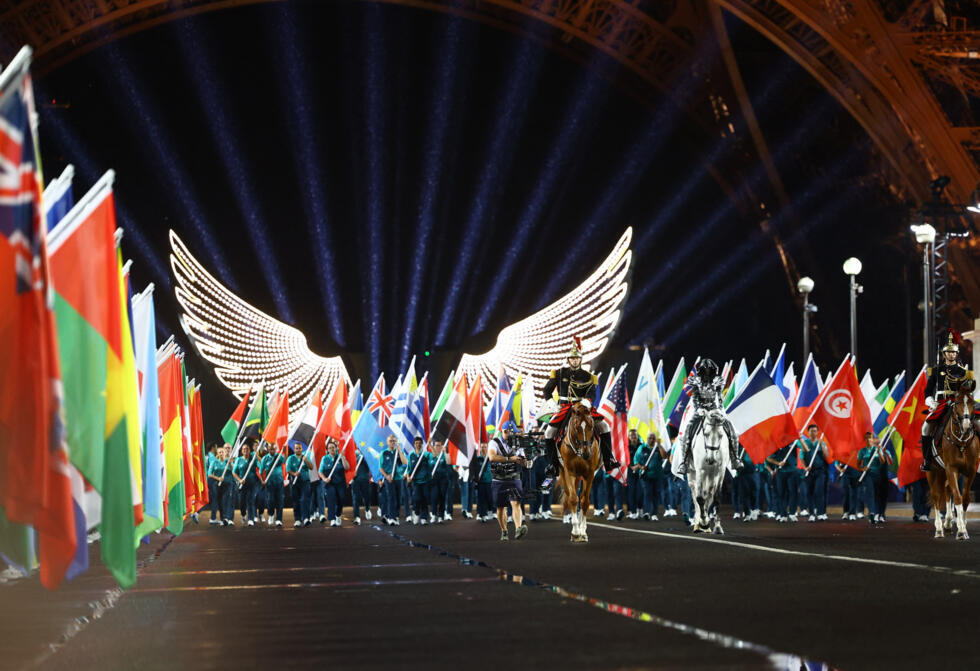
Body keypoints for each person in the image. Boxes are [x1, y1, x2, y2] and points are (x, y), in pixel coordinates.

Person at [540, 337, 620, 475]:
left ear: (581, 359)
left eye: (577, 359)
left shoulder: (588, 376)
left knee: (605, 427)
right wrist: (553, 405)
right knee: (548, 433)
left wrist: (586, 402)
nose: (574, 361)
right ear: (568, 359)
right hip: (564, 408)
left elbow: (592, 394)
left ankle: (608, 460)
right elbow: (547, 390)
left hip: (583, 408)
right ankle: (552, 465)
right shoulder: (558, 374)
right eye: (572, 358)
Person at [673, 359, 741, 476]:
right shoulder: (695, 380)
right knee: (687, 430)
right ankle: (684, 462)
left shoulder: (718, 381)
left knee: (732, 429)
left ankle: (735, 458)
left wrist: (718, 409)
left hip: (715, 409)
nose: (708, 372)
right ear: (701, 371)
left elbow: (719, 398)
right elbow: (695, 397)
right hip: (699, 409)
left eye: (710, 370)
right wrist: (700, 409)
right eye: (705, 370)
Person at [921, 333, 978, 470]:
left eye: (953, 352)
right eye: (949, 352)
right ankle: (927, 459)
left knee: (977, 422)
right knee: (925, 428)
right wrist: (931, 402)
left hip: (959, 403)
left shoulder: (963, 371)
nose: (951, 354)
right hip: (941, 404)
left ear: (957, 354)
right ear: (944, 354)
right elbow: (928, 391)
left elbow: (968, 390)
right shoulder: (936, 370)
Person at [488, 421, 528, 541]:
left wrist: (526, 460)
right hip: (499, 479)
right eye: (511, 433)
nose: (513, 435)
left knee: (516, 503)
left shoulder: (519, 444)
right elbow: (492, 457)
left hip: (514, 477)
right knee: (501, 507)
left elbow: (523, 461)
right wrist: (510, 459)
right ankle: (504, 531)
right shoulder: (494, 442)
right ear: (504, 432)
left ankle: (518, 528)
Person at [856, 433, 892, 524]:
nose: (871, 440)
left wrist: (880, 452)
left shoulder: (881, 450)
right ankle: (873, 513)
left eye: (872, 438)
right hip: (869, 475)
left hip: (881, 476)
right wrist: (863, 468)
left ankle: (881, 514)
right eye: (868, 438)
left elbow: (884, 461)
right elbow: (858, 464)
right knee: (872, 493)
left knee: (881, 496)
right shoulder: (862, 451)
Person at [798, 425, 829, 521]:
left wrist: (822, 446)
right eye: (811, 431)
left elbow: (826, 455)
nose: (813, 433)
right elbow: (802, 457)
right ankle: (811, 514)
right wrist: (805, 467)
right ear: (808, 432)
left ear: (817, 432)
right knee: (809, 492)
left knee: (818, 491)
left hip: (820, 471)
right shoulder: (805, 443)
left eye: (815, 431)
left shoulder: (821, 443)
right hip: (809, 472)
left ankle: (820, 513)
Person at [634, 433, 667, 520]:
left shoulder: (658, 448)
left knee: (656, 494)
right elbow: (636, 459)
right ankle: (647, 512)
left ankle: (654, 514)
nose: (651, 440)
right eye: (650, 438)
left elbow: (664, 456)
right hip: (646, 476)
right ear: (647, 439)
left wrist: (659, 445)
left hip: (657, 475)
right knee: (647, 493)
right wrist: (641, 467)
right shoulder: (642, 448)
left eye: (653, 438)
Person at [766, 442, 799, 522]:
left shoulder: (794, 443)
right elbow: (768, 458)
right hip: (781, 472)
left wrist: (800, 439)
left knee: (793, 493)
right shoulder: (777, 445)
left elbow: (805, 449)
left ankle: (792, 514)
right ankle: (783, 514)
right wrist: (778, 463)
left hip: (793, 471)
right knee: (781, 494)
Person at [319, 439, 348, 527]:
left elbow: (346, 467)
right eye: (329, 448)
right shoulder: (324, 458)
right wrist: (324, 479)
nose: (331, 449)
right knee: (331, 500)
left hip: (340, 483)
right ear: (327, 450)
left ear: (336, 448)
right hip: (330, 483)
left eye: (333, 447)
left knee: (341, 499)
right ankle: (332, 519)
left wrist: (343, 457)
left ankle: (338, 514)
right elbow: (320, 471)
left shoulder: (340, 456)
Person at [379, 436, 408, 525]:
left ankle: (394, 516)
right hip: (389, 479)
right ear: (387, 442)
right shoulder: (383, 453)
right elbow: (380, 468)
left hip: (399, 478)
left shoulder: (399, 452)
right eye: (390, 441)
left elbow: (405, 462)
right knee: (391, 498)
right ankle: (391, 518)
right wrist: (386, 476)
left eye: (394, 441)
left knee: (399, 499)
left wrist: (399, 450)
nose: (392, 442)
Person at [285, 441, 314, 527]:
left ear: (302, 449)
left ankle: (305, 518)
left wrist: (306, 461)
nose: (298, 450)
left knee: (305, 499)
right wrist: (294, 474)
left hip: (305, 481)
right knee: (296, 501)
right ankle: (297, 519)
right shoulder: (291, 458)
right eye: (296, 448)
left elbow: (311, 467)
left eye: (300, 448)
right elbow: (288, 469)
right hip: (294, 482)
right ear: (294, 449)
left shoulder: (305, 457)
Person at [405, 437, 433, 525]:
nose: (418, 444)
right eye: (416, 443)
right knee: (416, 499)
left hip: (425, 481)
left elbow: (435, 455)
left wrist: (430, 445)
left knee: (425, 499)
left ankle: (424, 518)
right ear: (414, 444)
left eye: (419, 443)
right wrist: (408, 477)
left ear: (422, 444)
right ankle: (416, 513)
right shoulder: (411, 455)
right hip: (416, 482)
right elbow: (408, 468)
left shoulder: (425, 454)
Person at [232, 442, 260, 526]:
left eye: (247, 449)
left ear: (249, 451)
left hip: (252, 484)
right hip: (242, 485)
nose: (245, 450)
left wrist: (256, 454)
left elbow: (261, 464)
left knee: (250, 501)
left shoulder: (253, 458)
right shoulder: (238, 459)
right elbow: (234, 472)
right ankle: (243, 514)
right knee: (241, 502)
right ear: (241, 451)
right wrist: (239, 480)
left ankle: (250, 519)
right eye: (244, 449)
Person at [260, 444, 285, 527]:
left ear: (276, 449)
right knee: (270, 500)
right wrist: (262, 480)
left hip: (279, 482)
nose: (272, 451)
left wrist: (284, 451)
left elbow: (285, 460)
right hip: (269, 483)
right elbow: (260, 472)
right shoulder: (265, 458)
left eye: (274, 449)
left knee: (280, 501)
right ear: (268, 449)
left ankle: (279, 519)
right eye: (270, 449)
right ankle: (271, 515)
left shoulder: (279, 456)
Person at [208, 445, 233, 525]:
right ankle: (222, 519)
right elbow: (209, 474)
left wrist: (231, 463)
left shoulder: (227, 461)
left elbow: (233, 471)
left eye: (222, 452)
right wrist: (218, 478)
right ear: (217, 454)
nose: (221, 453)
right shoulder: (214, 462)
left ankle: (225, 518)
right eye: (219, 452)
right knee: (219, 502)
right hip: (217, 485)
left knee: (225, 500)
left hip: (227, 484)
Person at [428, 440, 452, 523]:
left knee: (442, 497)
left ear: (442, 446)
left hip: (443, 479)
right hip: (434, 479)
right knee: (434, 497)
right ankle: (433, 514)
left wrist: (445, 452)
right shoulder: (431, 455)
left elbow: (449, 462)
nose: (437, 447)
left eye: (439, 445)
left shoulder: (443, 455)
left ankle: (441, 516)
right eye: (436, 445)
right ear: (434, 446)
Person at [350, 446, 372, 525]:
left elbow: (370, 465)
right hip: (355, 479)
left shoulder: (367, 453)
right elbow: (351, 463)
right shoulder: (354, 453)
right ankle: (357, 516)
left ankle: (367, 509)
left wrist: (364, 456)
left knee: (366, 497)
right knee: (356, 498)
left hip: (365, 479)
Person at [472, 443, 493, 521]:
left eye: (485, 447)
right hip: (480, 482)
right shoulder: (477, 459)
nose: (483, 448)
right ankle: (481, 514)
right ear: (479, 448)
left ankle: (489, 511)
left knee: (489, 498)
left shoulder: (490, 458)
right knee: (481, 498)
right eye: (482, 447)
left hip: (489, 481)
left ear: (487, 448)